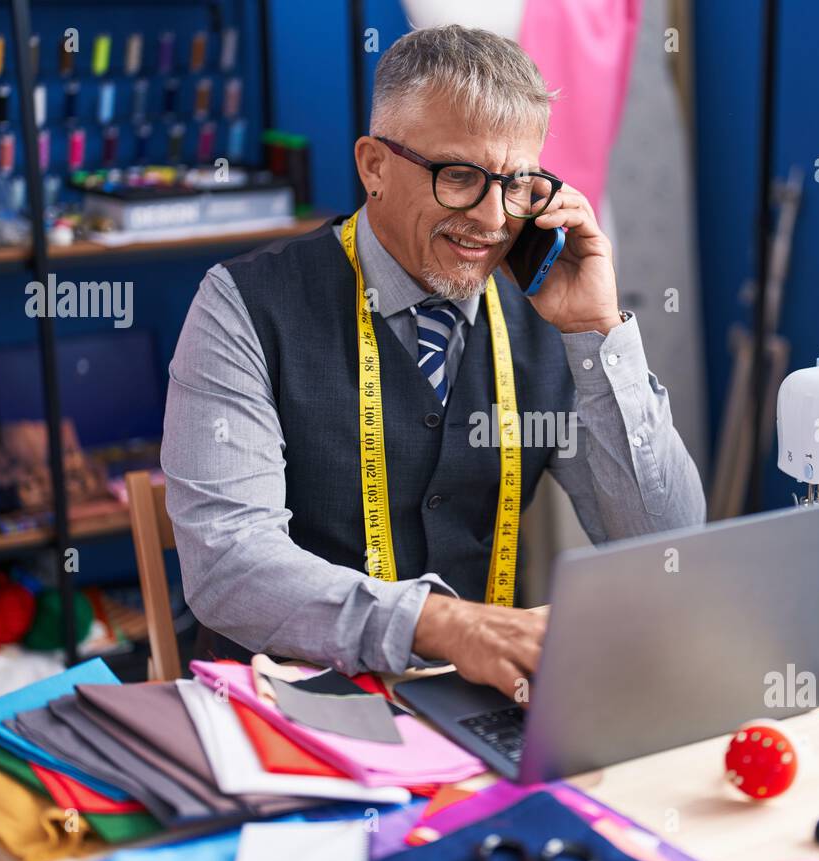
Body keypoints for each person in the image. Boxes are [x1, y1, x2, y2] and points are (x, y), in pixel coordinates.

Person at [161, 25, 705, 697]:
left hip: (483, 701)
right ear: (374, 166)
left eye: (518, 183)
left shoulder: (548, 316)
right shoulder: (244, 305)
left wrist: (598, 336)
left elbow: (670, 548)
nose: (492, 218)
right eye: (459, 177)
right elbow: (229, 568)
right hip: (290, 709)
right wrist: (444, 625)